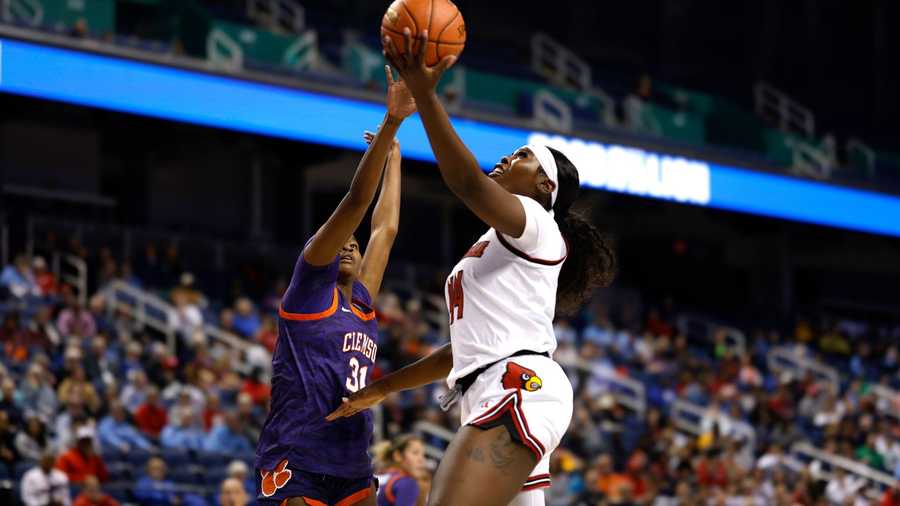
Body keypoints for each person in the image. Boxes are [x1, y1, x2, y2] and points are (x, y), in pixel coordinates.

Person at [329, 30, 617, 506]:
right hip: (490, 387)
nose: (507, 158)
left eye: (522, 156)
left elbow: (463, 180)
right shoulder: (500, 241)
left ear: (545, 185)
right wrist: (380, 390)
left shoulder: (538, 223)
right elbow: (460, 350)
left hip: (517, 386)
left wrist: (424, 94)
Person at [255, 65, 414, 506]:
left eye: (354, 244)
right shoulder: (308, 288)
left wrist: (396, 158)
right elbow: (358, 203)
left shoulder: (362, 301)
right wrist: (391, 123)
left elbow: (385, 228)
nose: (348, 244)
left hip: (352, 459)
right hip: (297, 455)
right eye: (341, 238)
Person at [374, 435, 429, 506]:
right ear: (398, 456)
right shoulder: (407, 483)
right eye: (415, 453)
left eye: (423, 455)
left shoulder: (377, 476)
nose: (421, 459)